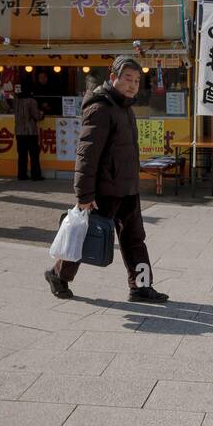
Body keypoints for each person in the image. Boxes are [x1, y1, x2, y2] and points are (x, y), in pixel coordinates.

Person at [44, 55, 167, 303]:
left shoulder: (125, 108)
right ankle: (58, 274)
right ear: (113, 78)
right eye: (127, 79)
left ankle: (141, 286)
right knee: (84, 236)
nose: (133, 85)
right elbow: (86, 154)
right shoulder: (100, 108)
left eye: (136, 80)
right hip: (105, 191)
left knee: (135, 239)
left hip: (128, 189)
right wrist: (84, 196)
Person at [14, 83, 43, 181]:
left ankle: (22, 175)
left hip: (19, 132)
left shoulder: (16, 101)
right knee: (34, 155)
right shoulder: (31, 101)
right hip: (30, 132)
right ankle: (35, 175)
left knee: (22, 155)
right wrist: (42, 113)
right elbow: (37, 116)